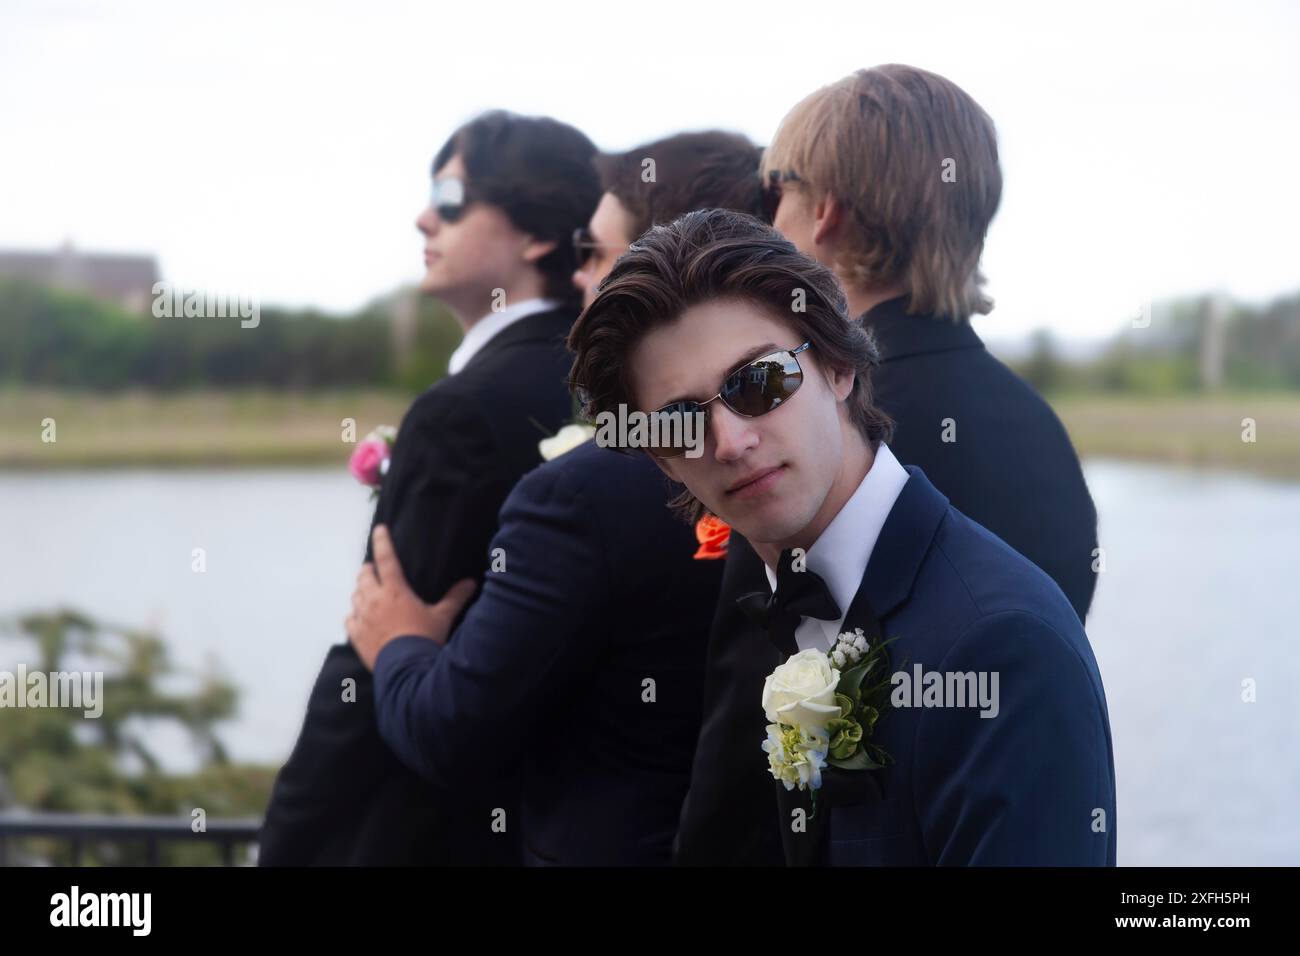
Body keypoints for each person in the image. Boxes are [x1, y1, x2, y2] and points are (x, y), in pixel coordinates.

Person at [571, 208, 1116, 865]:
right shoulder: (790, 596)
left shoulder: (1001, 641)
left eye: (760, 381)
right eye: (680, 420)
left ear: (838, 365)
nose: (731, 442)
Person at [675, 65, 1102, 865]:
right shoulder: (1038, 425)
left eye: (777, 186)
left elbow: (745, 756)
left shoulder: (817, 425)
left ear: (825, 210)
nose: (768, 212)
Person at [340, 131, 766, 866]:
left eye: (597, 254)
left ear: (667, 269)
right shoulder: (807, 461)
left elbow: (453, 728)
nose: (580, 278)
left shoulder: (587, 489)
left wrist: (400, 644)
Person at [259, 110, 600, 866]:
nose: (424, 216)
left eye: (451, 197)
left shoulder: (466, 410)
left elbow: (371, 650)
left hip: (432, 826)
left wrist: (289, 841)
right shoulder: (599, 380)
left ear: (537, 234)